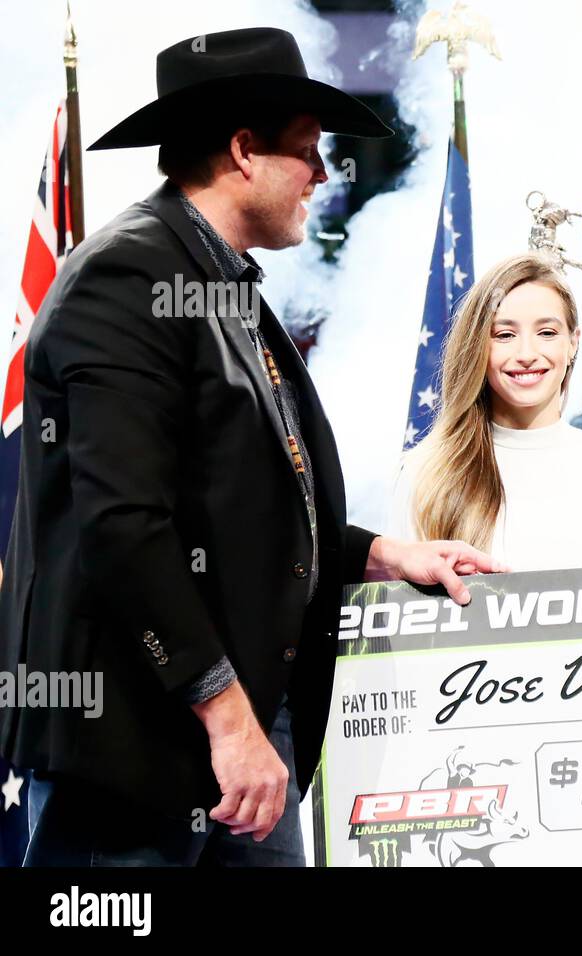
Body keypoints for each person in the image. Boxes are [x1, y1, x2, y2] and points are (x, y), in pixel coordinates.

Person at [0, 28, 502, 867]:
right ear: (243, 152)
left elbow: (239, 507)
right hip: (142, 750)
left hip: (227, 742)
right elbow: (124, 526)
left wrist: (382, 553)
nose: (322, 174)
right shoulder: (128, 276)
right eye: (308, 151)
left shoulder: (217, 280)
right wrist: (227, 719)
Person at [394, 252, 582, 571]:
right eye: (505, 335)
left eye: (547, 333)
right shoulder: (425, 473)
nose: (526, 354)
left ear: (573, 343)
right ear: (478, 346)